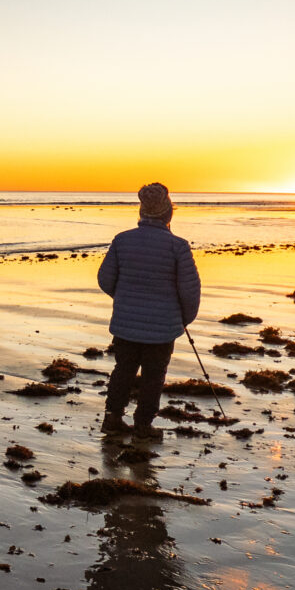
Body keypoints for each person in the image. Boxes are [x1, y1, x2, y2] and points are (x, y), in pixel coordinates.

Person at [96, 183, 200, 438]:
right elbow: (190, 290)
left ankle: (112, 418)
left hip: (125, 323)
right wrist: (183, 319)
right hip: (162, 328)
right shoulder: (178, 246)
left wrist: (125, 300)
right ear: (168, 213)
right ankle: (143, 425)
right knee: (154, 377)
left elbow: (105, 279)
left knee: (123, 370)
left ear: (142, 211)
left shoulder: (123, 240)